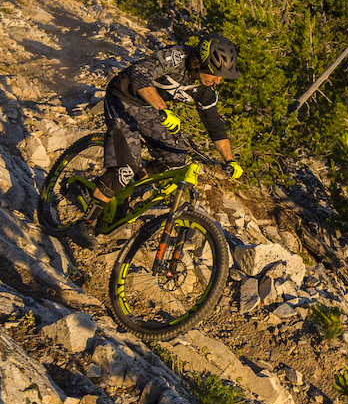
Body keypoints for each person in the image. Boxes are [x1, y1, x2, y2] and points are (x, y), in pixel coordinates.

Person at [68, 33, 243, 249]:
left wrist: (230, 160)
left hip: (149, 111)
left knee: (176, 159)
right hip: (123, 98)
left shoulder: (205, 90)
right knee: (125, 168)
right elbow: (138, 72)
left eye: (221, 77)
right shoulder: (176, 57)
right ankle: (84, 223)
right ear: (200, 62)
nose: (216, 80)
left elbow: (215, 126)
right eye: (213, 73)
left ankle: (122, 192)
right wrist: (163, 109)